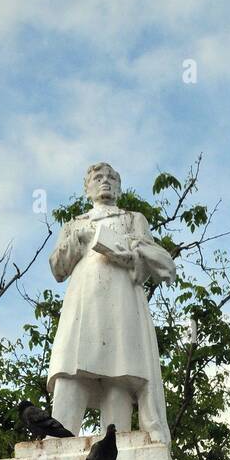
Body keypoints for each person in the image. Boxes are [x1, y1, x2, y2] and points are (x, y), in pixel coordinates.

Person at [47, 162, 176, 445]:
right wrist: (76, 241)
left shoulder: (133, 219)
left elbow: (153, 261)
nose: (104, 181)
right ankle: (56, 441)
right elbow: (57, 268)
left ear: (119, 186)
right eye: (97, 177)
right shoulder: (75, 223)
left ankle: (117, 446)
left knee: (120, 369)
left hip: (121, 301)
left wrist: (129, 252)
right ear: (87, 187)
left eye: (111, 178)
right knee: (72, 366)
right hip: (83, 301)